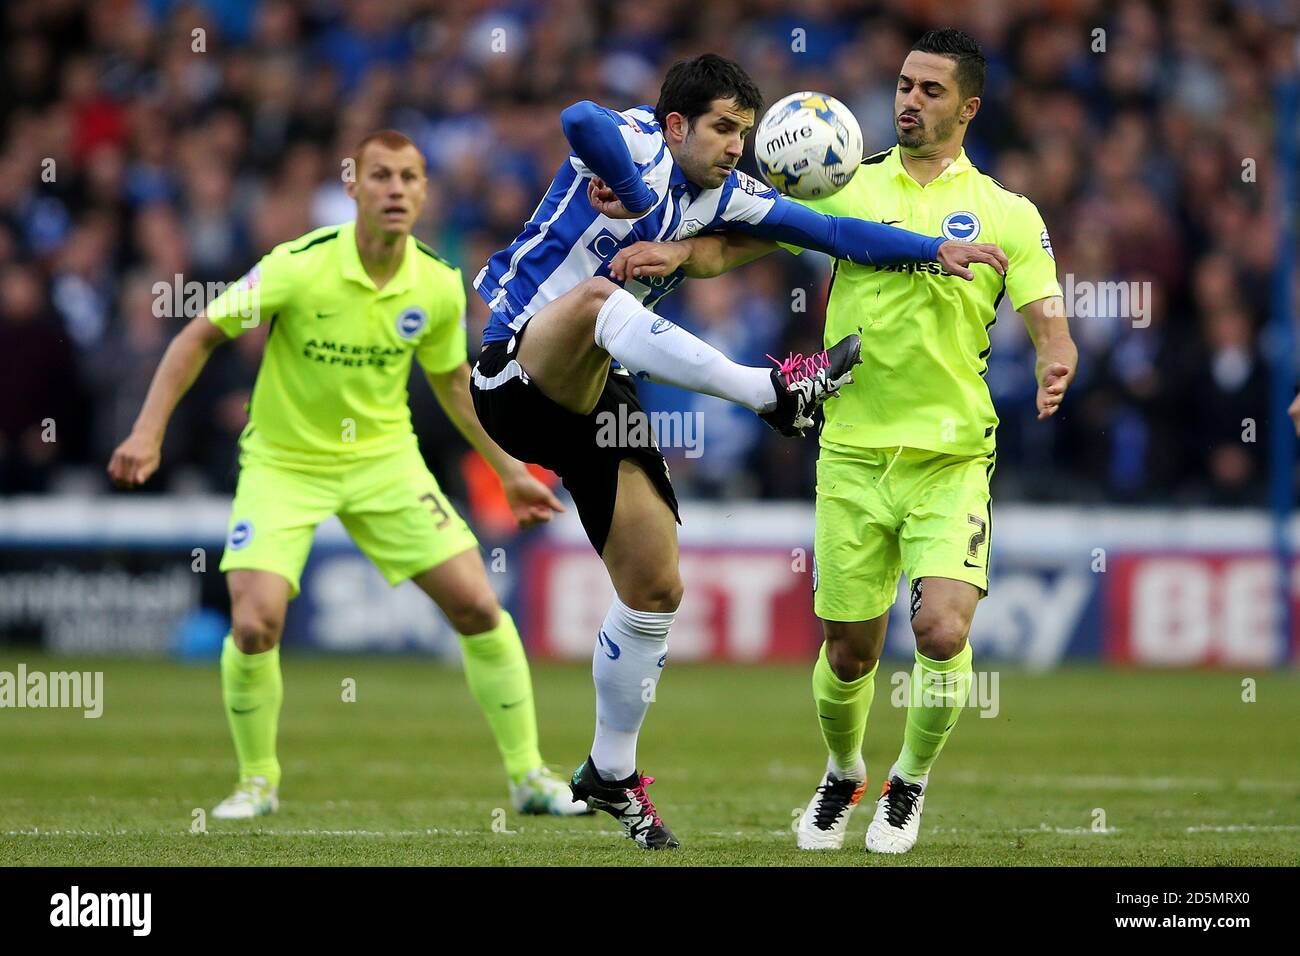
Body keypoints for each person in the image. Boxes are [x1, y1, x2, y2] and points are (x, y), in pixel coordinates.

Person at [468, 53, 1007, 849]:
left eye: (744, 133)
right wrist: (643, 198)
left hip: (597, 393)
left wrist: (932, 250)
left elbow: (830, 232)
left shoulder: (729, 195)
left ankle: (610, 771)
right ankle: (767, 392)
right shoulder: (634, 141)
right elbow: (578, 118)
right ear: (675, 125)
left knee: (655, 586)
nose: (735, 146)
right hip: (515, 369)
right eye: (722, 128)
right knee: (596, 298)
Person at [614, 30, 1076, 854]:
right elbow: (743, 242)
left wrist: (1056, 355)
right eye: (904, 85)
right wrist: (676, 252)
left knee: (942, 631)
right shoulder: (842, 181)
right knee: (850, 653)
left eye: (930, 90)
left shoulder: (1009, 211)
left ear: (968, 107)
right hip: (853, 451)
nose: (909, 101)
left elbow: (1045, 310)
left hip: (951, 457)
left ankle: (909, 784)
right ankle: (842, 771)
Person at [108, 130, 587, 820]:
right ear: (353, 186)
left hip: (384, 463)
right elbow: (198, 335)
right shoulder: (297, 266)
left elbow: (454, 383)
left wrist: (509, 470)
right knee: (255, 624)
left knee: (480, 608)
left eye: (409, 178)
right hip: (284, 462)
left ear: (424, 192)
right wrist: (147, 430)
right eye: (381, 175)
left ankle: (529, 777)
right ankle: (256, 781)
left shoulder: (437, 282)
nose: (396, 189)